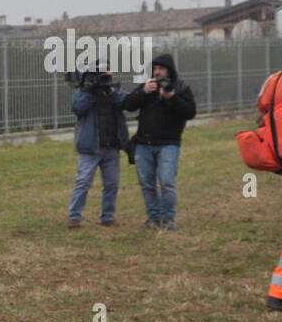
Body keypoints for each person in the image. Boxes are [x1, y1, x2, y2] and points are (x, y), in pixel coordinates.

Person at [123, 53, 196, 230]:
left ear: (169, 71)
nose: (157, 72)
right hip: (143, 143)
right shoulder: (147, 87)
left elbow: (190, 112)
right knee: (147, 184)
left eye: (161, 69)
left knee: (167, 182)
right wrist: (143, 92)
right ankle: (153, 218)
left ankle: (168, 219)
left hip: (169, 144)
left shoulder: (181, 88)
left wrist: (172, 97)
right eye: (155, 69)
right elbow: (128, 104)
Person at [67, 62, 128, 228]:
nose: (103, 76)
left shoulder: (112, 90)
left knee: (112, 184)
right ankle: (74, 217)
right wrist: (90, 90)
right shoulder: (85, 91)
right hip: (90, 146)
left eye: (105, 73)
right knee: (83, 182)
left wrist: (110, 88)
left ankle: (107, 217)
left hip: (111, 146)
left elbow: (125, 102)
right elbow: (77, 108)